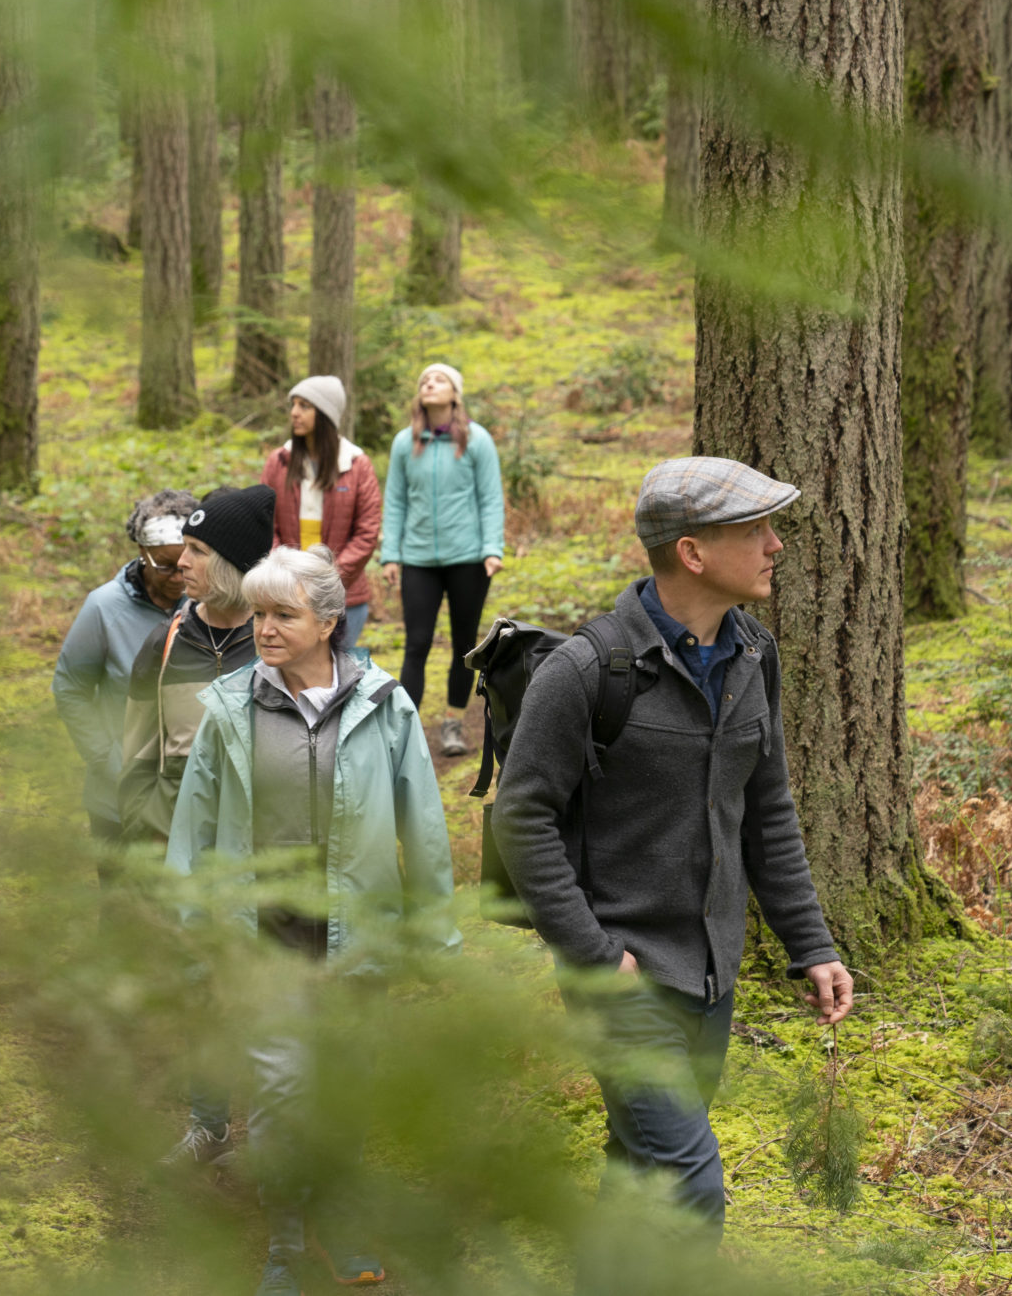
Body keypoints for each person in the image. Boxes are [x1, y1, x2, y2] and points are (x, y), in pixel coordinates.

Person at [491, 456, 854, 1263]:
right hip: (621, 976)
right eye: (755, 530)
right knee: (691, 1185)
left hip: (712, 973)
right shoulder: (587, 669)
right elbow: (521, 819)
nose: (776, 545)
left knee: (638, 1168)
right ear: (692, 552)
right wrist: (593, 954)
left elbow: (767, 811)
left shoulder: (753, 654)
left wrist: (811, 944)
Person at [166, 545, 456, 1296]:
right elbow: (193, 830)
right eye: (259, 613)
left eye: (283, 615)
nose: (264, 628)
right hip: (261, 937)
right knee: (278, 1092)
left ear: (328, 623)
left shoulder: (384, 706)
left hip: (355, 938)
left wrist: (432, 932)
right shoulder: (230, 709)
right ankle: (287, 1240)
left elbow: (423, 825)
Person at [117, 483, 277, 1166]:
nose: (180, 561)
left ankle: (272, 1137)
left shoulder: (280, 641)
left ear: (235, 566)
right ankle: (209, 1127)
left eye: (199, 550)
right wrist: (151, 836)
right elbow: (136, 756)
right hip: (185, 852)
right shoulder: (164, 643)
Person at [52, 490, 198, 851]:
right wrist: (105, 756)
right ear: (142, 553)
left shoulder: (204, 605)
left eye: (185, 565)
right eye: (165, 566)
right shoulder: (104, 608)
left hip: (190, 793)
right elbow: (70, 687)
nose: (177, 578)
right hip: (117, 793)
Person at [379, 362, 504, 757]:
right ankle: (405, 730)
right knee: (416, 644)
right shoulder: (405, 443)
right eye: (425, 381)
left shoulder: (477, 440)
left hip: (468, 558)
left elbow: (490, 498)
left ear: (455, 394)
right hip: (418, 559)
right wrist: (391, 554)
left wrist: (492, 549)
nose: (429, 384)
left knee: (464, 645)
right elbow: (395, 500)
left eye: (439, 380)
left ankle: (453, 723)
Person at [261, 375, 382, 648]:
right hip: (285, 593)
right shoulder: (279, 462)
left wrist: (327, 581)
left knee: (338, 670)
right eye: (293, 404)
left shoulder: (357, 465)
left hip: (344, 597)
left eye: (304, 406)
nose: (294, 413)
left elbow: (367, 533)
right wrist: (287, 576)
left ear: (326, 414)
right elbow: (265, 524)